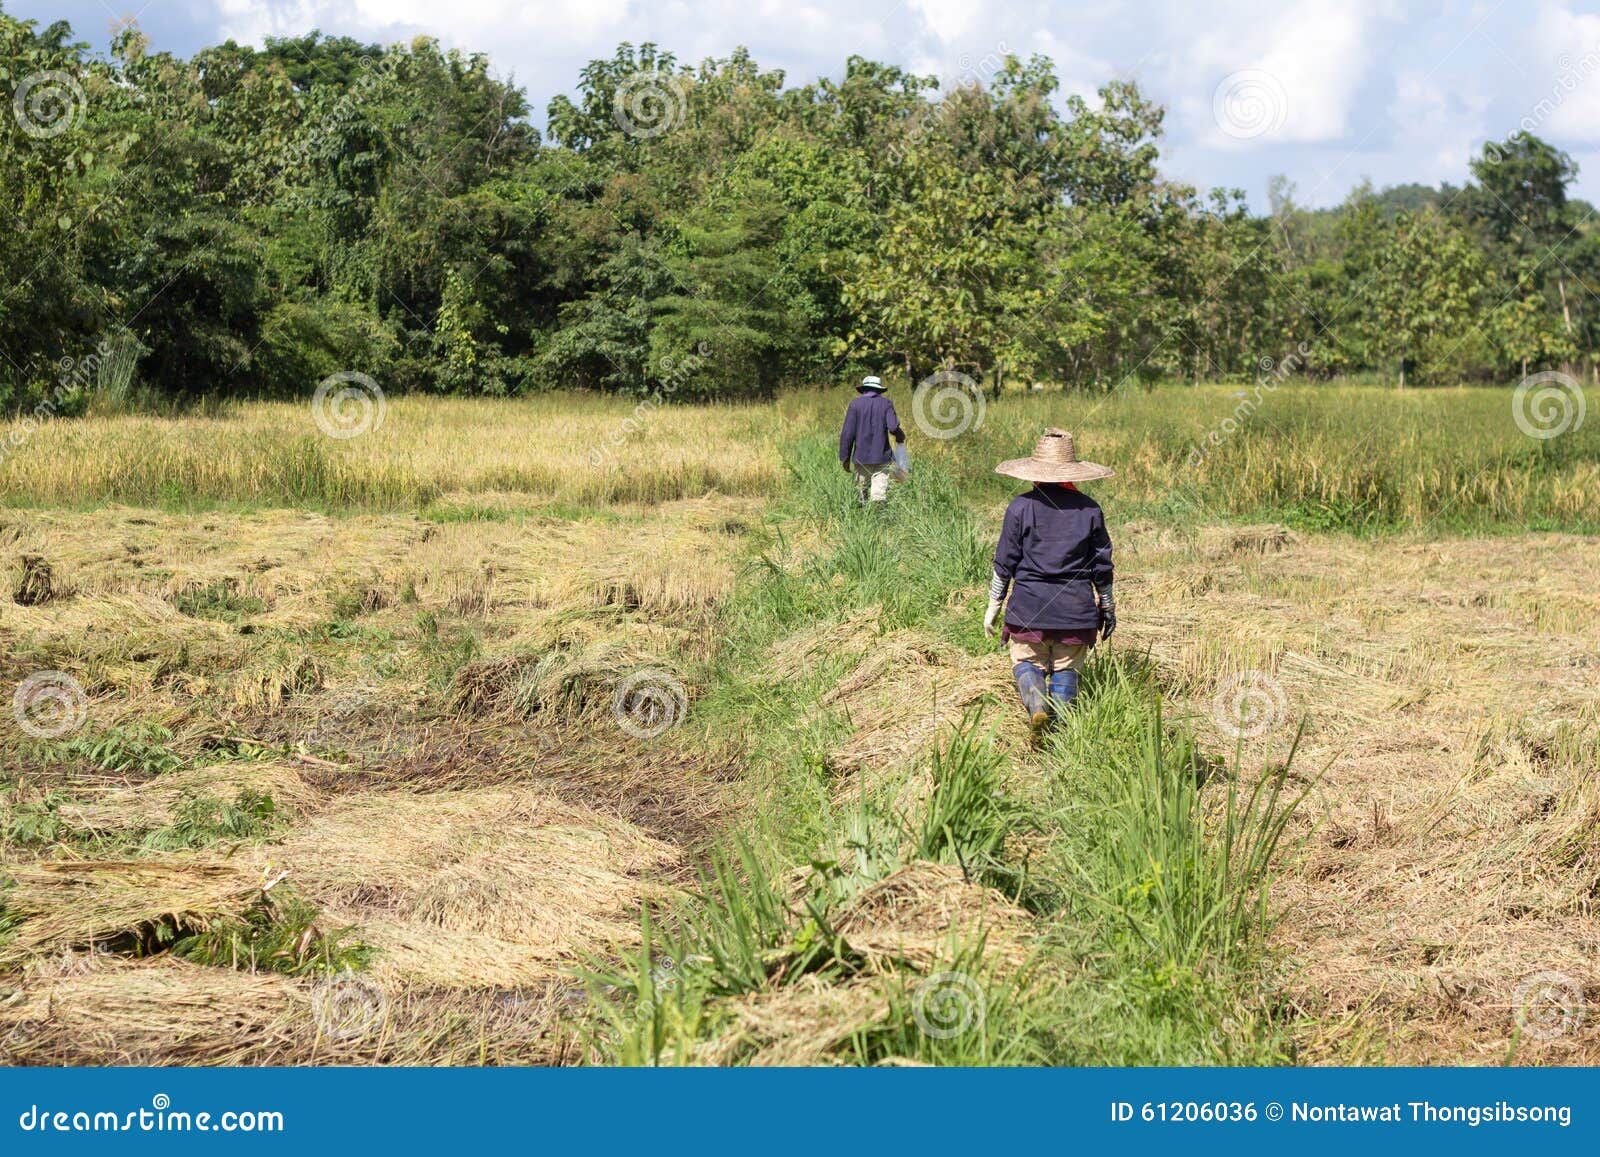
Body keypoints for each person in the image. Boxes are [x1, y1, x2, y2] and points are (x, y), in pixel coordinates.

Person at [982, 428, 1116, 730]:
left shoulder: (1019, 507)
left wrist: (993, 605)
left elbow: (1005, 562)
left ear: (1035, 472)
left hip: (1028, 610)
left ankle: (1037, 706)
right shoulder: (1090, 510)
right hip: (1075, 611)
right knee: (1067, 668)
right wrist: (1107, 606)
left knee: (1027, 662)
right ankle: (1058, 728)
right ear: (1073, 473)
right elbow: (1101, 566)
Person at [838, 375, 906, 503]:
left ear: (864, 389)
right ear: (879, 390)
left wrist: (845, 458)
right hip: (882, 457)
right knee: (879, 495)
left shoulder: (855, 404)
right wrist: (899, 435)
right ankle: (877, 518)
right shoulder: (886, 404)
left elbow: (847, 434)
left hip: (861, 458)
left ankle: (862, 518)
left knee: (861, 493)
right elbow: (893, 426)